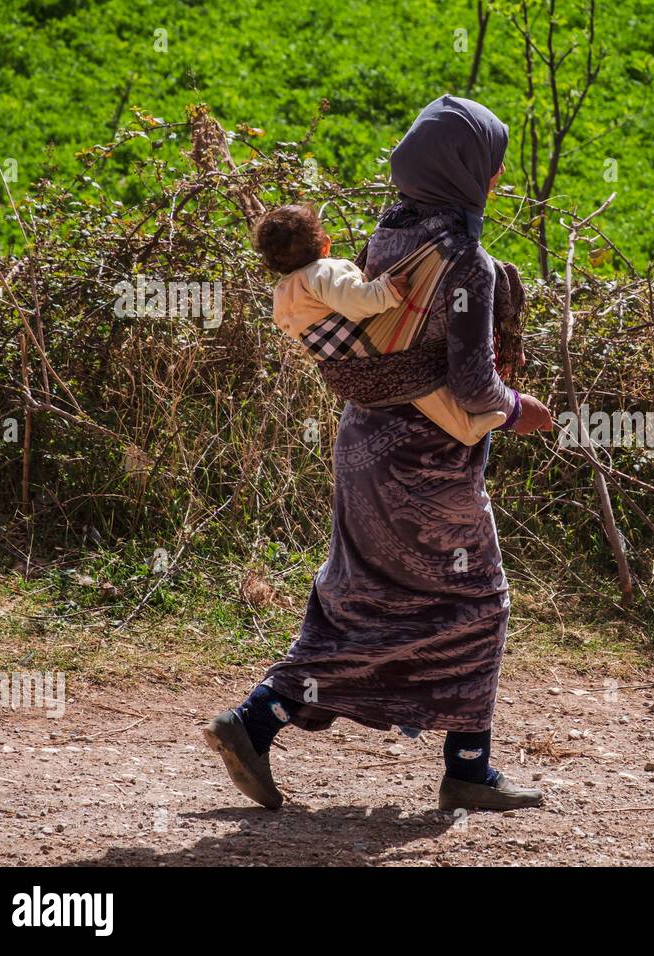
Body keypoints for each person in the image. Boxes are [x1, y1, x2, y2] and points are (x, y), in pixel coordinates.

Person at [204, 95, 553, 812]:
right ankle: (467, 769)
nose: (494, 180)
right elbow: (472, 382)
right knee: (477, 600)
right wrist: (522, 412)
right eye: (489, 167)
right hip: (426, 463)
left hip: (362, 442)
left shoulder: (385, 236)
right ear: (462, 170)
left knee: (361, 595)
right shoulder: (470, 264)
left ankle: (258, 721)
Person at [252, 203, 504, 445]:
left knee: (415, 391)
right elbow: (355, 302)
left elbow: (288, 326)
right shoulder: (324, 272)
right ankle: (466, 428)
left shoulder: (283, 291)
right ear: (326, 245)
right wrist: (386, 290)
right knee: (415, 379)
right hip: (366, 354)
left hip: (339, 369)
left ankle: (466, 428)